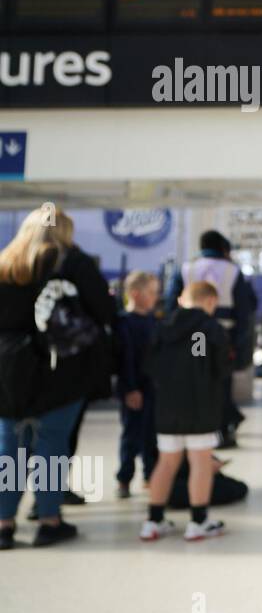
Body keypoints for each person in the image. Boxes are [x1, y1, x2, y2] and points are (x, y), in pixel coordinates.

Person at [0, 206, 114, 550]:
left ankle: (4, 523)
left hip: (7, 368)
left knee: (9, 448)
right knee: (52, 444)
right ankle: (48, 520)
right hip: (61, 368)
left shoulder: (6, 262)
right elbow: (105, 312)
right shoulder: (73, 263)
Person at [140, 280, 231, 542]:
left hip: (167, 406)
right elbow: (207, 365)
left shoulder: (162, 327)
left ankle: (153, 520)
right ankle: (198, 521)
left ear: (182, 299)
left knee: (166, 462)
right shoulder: (206, 329)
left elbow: (151, 365)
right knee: (200, 462)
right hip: (199, 407)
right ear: (211, 301)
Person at [167, 230, 255, 448]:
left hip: (191, 337)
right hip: (221, 338)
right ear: (224, 249)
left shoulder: (186, 269)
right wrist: (239, 345)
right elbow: (245, 312)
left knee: (195, 380)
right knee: (220, 382)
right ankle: (224, 428)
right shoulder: (233, 271)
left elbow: (170, 305)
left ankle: (199, 429)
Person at [116, 270, 161, 498]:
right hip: (135, 388)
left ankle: (151, 475)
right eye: (151, 292)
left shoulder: (155, 321)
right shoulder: (125, 324)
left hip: (153, 388)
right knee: (131, 435)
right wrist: (130, 388)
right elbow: (126, 359)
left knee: (151, 435)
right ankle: (124, 478)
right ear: (135, 294)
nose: (155, 297)